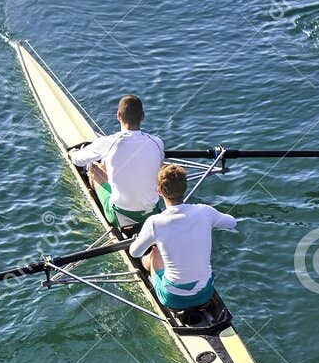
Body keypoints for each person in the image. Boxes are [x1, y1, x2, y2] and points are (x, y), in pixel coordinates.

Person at [128, 163, 237, 311]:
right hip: (206, 292)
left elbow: (134, 252)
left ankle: (155, 273)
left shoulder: (154, 222)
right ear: (185, 188)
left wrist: (149, 240)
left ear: (159, 190)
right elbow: (232, 223)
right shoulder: (205, 211)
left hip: (173, 298)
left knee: (154, 253)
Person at [69, 94, 164, 229]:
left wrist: (72, 153)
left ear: (118, 115)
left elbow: (77, 160)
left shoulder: (108, 142)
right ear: (142, 116)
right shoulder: (157, 143)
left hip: (121, 216)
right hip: (153, 212)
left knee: (94, 169)